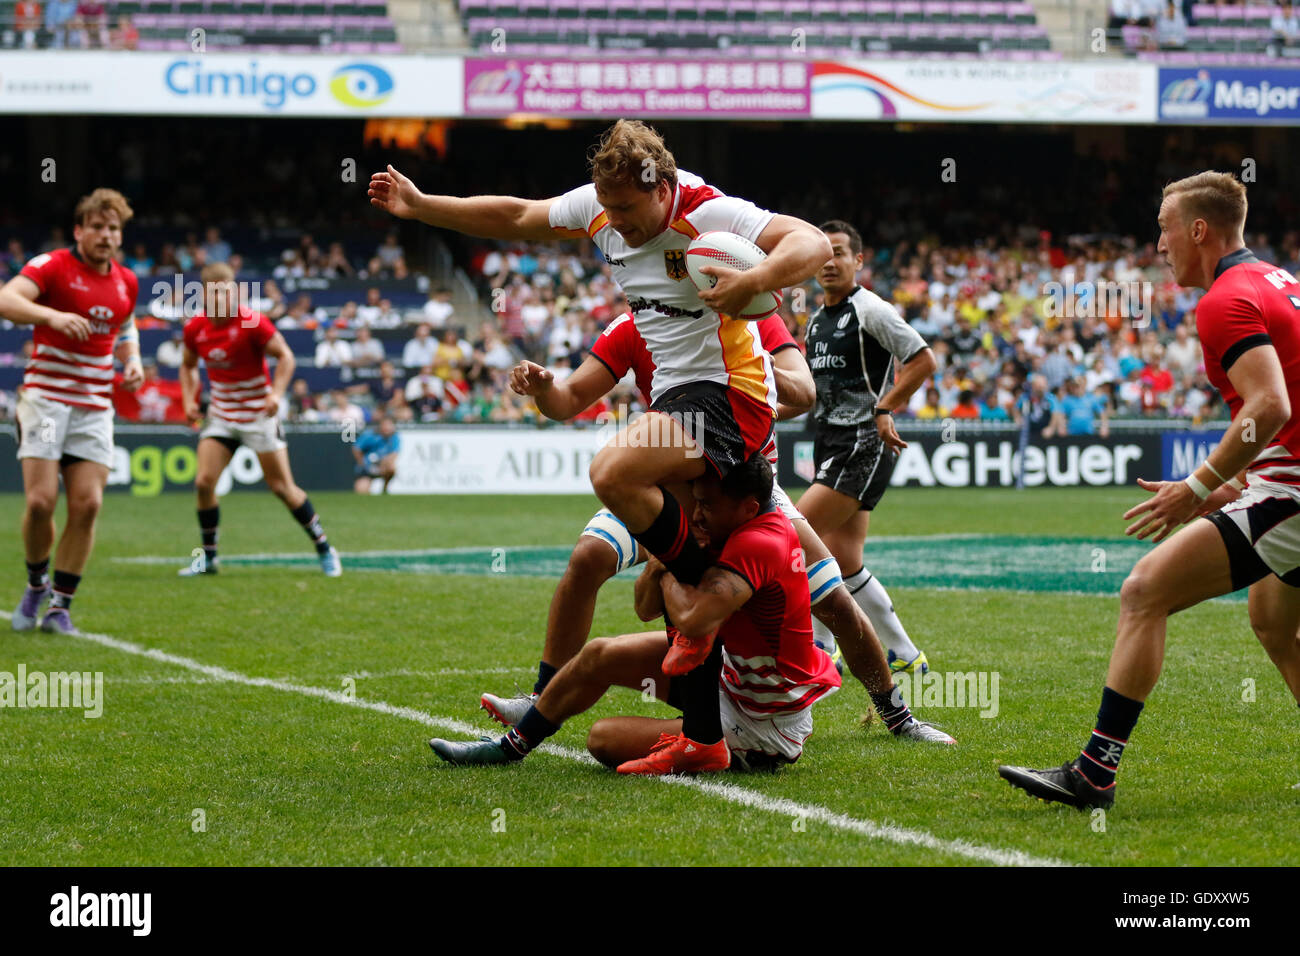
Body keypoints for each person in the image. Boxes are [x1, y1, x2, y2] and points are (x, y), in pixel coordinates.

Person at [372, 120, 831, 765]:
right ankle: (688, 735)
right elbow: (518, 215)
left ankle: (877, 691)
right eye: (605, 208)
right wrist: (423, 207)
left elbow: (808, 242)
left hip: (734, 394)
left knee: (612, 470)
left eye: (627, 210)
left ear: (665, 188)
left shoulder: (709, 212)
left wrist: (758, 280)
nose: (613, 223)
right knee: (658, 570)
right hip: (677, 398)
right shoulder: (603, 210)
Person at [481, 311, 952, 746]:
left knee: (835, 603)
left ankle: (897, 716)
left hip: (742, 493)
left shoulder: (754, 318)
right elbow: (567, 401)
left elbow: (804, 395)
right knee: (589, 558)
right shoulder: (637, 324)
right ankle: (542, 695)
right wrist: (544, 387)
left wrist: (752, 373)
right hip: (666, 491)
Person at [1000, 171, 1300, 809]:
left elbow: (1270, 406)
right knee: (1274, 624)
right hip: (1286, 487)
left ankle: (1093, 774)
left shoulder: (1224, 299)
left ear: (1198, 230)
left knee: (1142, 592)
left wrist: (1200, 485)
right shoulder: (1278, 281)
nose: (1158, 244)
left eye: (1164, 228)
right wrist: (1232, 489)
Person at [431, 456, 842, 773]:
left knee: (602, 739)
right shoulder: (724, 526)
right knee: (597, 654)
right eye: (695, 501)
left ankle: (730, 751)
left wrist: (667, 563)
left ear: (749, 507)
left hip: (762, 717)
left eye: (707, 506)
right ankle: (510, 747)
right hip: (730, 673)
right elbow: (645, 609)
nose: (696, 514)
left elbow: (695, 620)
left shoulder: (761, 541)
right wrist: (664, 560)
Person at [801, 221, 937, 676]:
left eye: (839, 252)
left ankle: (822, 648)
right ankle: (903, 652)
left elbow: (922, 358)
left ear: (858, 260)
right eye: (823, 253)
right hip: (831, 442)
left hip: (863, 442)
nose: (830, 262)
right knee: (844, 561)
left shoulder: (870, 309)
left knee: (793, 540)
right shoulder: (816, 321)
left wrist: (887, 407)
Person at [3, 188, 142, 634]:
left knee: (88, 504)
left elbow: (125, 323)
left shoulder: (126, 281)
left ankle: (61, 605)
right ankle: (36, 583)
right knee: (42, 502)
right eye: (97, 227)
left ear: (121, 236)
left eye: (114, 228)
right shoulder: (52, 266)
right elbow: (7, 299)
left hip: (94, 407)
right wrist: (51, 317)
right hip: (46, 401)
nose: (106, 235)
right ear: (80, 231)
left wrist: (133, 357)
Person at [177, 263, 341, 578]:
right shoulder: (195, 328)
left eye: (227, 291)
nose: (222, 297)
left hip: (258, 415)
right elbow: (187, 366)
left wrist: (276, 394)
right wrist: (187, 399)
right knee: (203, 483)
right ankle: (209, 559)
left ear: (234, 292)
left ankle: (324, 547)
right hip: (222, 415)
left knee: (281, 487)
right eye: (215, 292)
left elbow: (287, 357)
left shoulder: (253, 321)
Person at [353, 415, 400, 493]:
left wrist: (383, 463)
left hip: (382, 466)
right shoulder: (369, 435)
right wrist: (363, 463)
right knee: (361, 491)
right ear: (380, 425)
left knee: (391, 467)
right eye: (385, 425)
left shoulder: (394, 437)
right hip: (367, 468)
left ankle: (385, 488)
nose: (387, 428)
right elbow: (356, 449)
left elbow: (394, 454)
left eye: (389, 425)